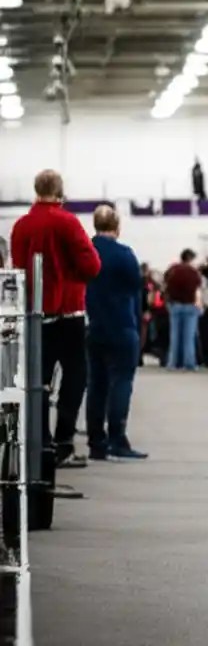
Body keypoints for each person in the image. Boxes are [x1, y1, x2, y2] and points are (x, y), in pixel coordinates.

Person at [10, 170, 102, 484]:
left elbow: (18, 266)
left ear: (36, 191)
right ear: (61, 192)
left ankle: (39, 441)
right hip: (68, 311)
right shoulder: (67, 222)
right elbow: (92, 265)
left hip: (33, 313)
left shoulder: (21, 225)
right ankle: (63, 440)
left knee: (37, 381)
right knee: (76, 377)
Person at [84, 205, 147, 461]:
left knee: (95, 385)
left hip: (94, 325)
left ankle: (96, 442)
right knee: (121, 381)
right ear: (117, 226)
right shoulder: (124, 254)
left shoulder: (85, 252)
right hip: (121, 325)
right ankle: (117, 439)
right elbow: (135, 285)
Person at [163, 248, 202, 370]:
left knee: (175, 336)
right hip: (190, 306)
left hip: (175, 305)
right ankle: (189, 363)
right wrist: (199, 304)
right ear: (191, 259)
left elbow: (166, 287)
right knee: (188, 337)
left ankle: (173, 362)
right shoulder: (194, 273)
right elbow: (197, 290)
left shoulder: (173, 271)